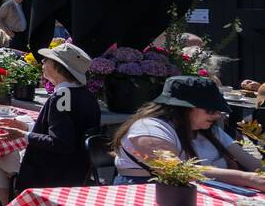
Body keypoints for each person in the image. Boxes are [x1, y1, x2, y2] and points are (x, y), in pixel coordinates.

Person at [0, 43, 101, 206]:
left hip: (49, 172)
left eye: (48, 60)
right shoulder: (86, 95)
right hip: (74, 170)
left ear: (59, 67)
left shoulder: (62, 98)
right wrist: (28, 127)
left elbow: (60, 142)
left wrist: (23, 134)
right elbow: (68, 131)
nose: (43, 62)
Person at [112, 76, 265, 191]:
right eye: (211, 110)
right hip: (145, 197)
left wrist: (259, 174)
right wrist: (248, 178)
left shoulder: (208, 130)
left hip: (202, 198)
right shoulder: (148, 129)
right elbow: (178, 170)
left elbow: (251, 162)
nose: (218, 115)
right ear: (184, 108)